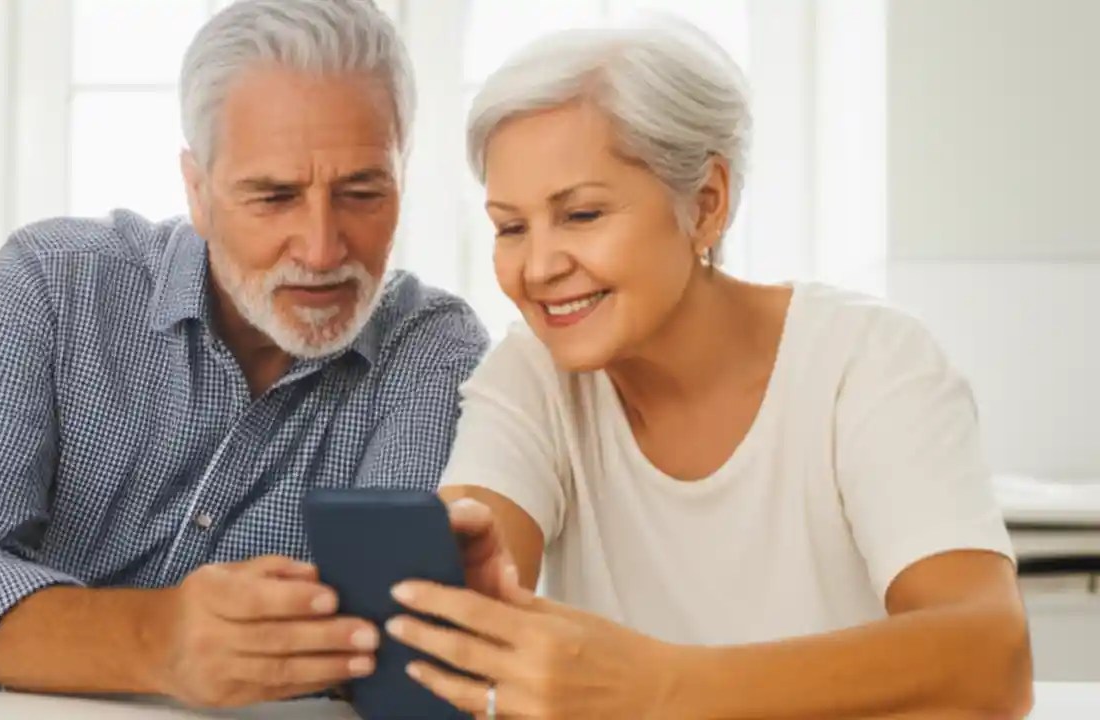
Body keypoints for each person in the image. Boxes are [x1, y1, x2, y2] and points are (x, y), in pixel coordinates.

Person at [385, 21, 1035, 719]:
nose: (538, 267)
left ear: (707, 202)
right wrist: (457, 609)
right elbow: (464, 595)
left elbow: (991, 659)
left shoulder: (868, 364)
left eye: (581, 214)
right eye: (511, 227)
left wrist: (665, 689)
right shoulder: (532, 375)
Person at [0, 0, 487, 708]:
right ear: (197, 191)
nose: (323, 249)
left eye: (362, 192)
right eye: (273, 196)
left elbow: (392, 647)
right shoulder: (53, 283)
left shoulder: (432, 350)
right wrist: (155, 640)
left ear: (403, 177)